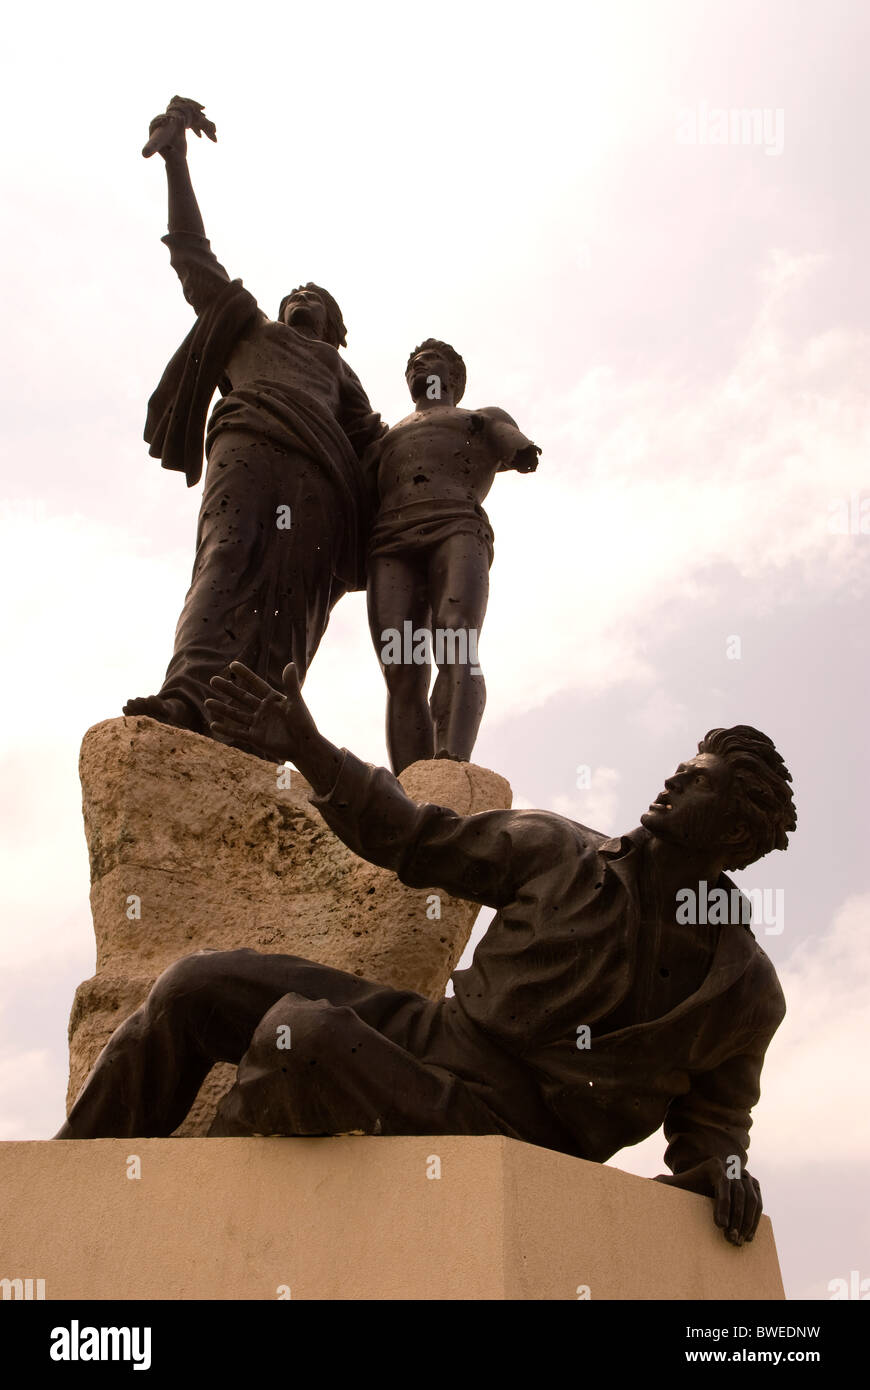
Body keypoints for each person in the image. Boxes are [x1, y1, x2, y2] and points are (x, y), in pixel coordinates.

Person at [58, 661, 796, 1247]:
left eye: (699, 782)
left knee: (309, 1040)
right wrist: (309, 750)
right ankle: (55, 1190)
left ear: (734, 835)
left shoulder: (743, 992)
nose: (673, 779)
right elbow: (413, 838)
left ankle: (182, 1234)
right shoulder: (557, 849)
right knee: (198, 984)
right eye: (682, 766)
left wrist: (727, 1167)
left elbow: (715, 1127)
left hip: (512, 1131)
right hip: (433, 1036)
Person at [123, 99, 385, 738]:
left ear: (335, 328)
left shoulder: (339, 373)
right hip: (248, 447)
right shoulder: (243, 324)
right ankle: (186, 697)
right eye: (297, 294)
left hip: (322, 481)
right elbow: (192, 256)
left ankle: (261, 724)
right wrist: (177, 163)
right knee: (226, 558)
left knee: (291, 597)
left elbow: (376, 448)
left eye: (318, 301)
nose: (304, 301)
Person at [366, 339, 539, 771]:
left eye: (430, 360)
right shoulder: (385, 437)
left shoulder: (481, 419)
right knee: (400, 662)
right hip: (390, 540)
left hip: (456, 523)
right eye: (411, 363)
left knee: (455, 635)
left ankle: (451, 760)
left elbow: (517, 449)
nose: (418, 365)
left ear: (455, 378)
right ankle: (409, 782)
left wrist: (519, 449)